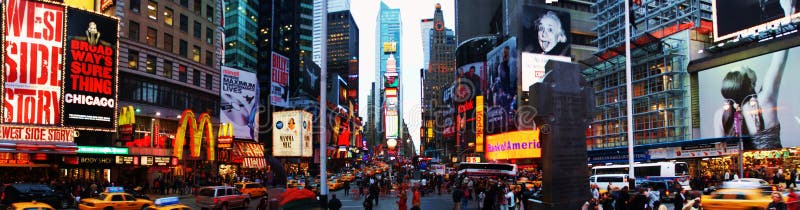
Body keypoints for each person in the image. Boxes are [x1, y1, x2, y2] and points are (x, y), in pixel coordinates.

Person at [713, 49, 789, 150]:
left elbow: (720, 149)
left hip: (740, 164)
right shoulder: (764, 99)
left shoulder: (720, 114)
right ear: (750, 83)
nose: (746, 65)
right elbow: (778, 62)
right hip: (775, 162)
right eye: (744, 68)